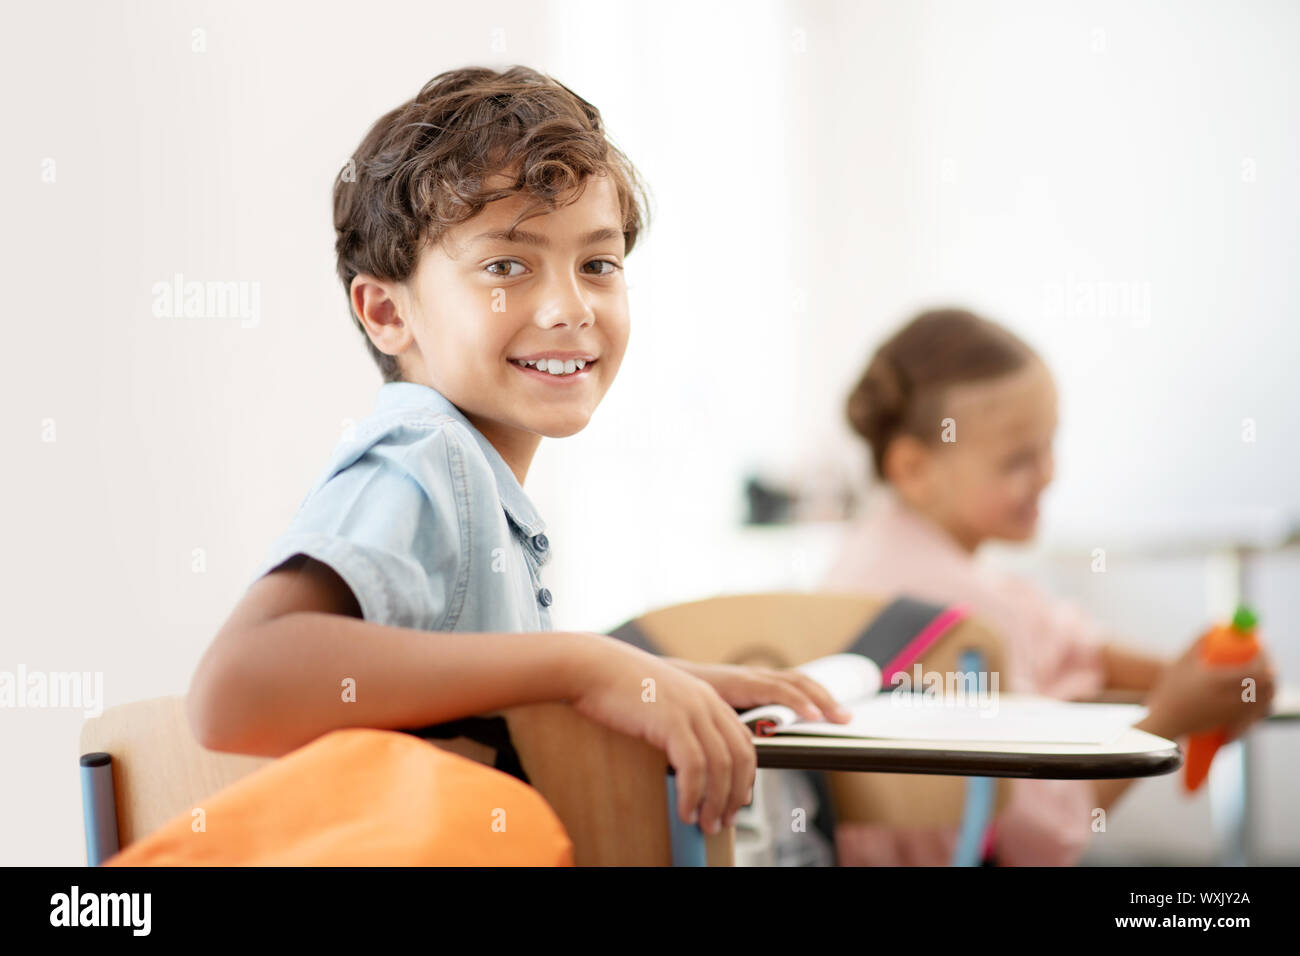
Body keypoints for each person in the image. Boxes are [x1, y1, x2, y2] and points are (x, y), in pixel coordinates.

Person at [186, 66, 850, 837]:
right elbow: (234, 687)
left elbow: (459, 692)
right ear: (386, 311)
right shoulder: (427, 453)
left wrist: (647, 682)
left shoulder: (471, 479)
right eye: (506, 266)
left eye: (597, 265)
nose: (570, 307)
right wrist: (581, 667)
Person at [824, 307, 1277, 865]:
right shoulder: (964, 609)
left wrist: (1198, 682)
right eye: (1020, 458)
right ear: (914, 467)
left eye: (1048, 445)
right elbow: (1046, 836)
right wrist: (1170, 717)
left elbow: (1064, 642)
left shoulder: (874, 559)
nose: (1049, 474)